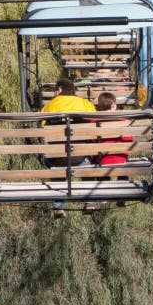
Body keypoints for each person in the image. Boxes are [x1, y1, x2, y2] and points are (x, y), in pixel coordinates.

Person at [41, 78, 96, 217]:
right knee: (88, 160)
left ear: (59, 90)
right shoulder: (86, 104)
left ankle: (59, 206)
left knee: (55, 161)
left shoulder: (50, 106)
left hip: (57, 159)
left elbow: (41, 128)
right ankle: (89, 202)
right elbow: (95, 127)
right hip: (81, 158)